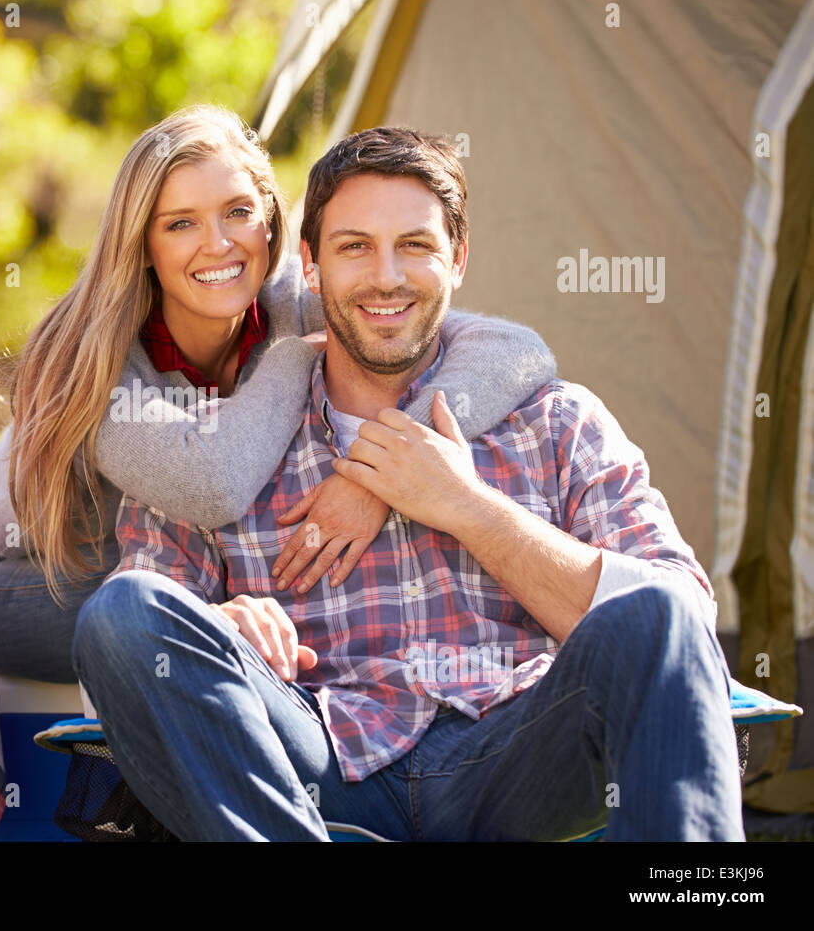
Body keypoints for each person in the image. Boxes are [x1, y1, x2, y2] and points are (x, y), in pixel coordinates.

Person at [72, 126, 743, 840]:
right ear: (310, 265)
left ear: (456, 260)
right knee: (122, 612)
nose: (386, 276)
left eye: (415, 246)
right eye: (354, 246)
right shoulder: (229, 443)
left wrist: (470, 508)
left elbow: (685, 626)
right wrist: (223, 626)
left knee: (659, 609)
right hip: (321, 762)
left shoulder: (554, 420)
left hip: (517, 751)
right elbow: (145, 629)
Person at [0, 105, 558, 684]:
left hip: (176, 559)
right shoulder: (95, 360)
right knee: (165, 608)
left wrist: (378, 476)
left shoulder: (292, 303)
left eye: (238, 212)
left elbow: (514, 348)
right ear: (142, 243)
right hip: (35, 570)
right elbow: (210, 487)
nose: (218, 244)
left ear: (271, 222)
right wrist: (296, 358)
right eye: (180, 223)